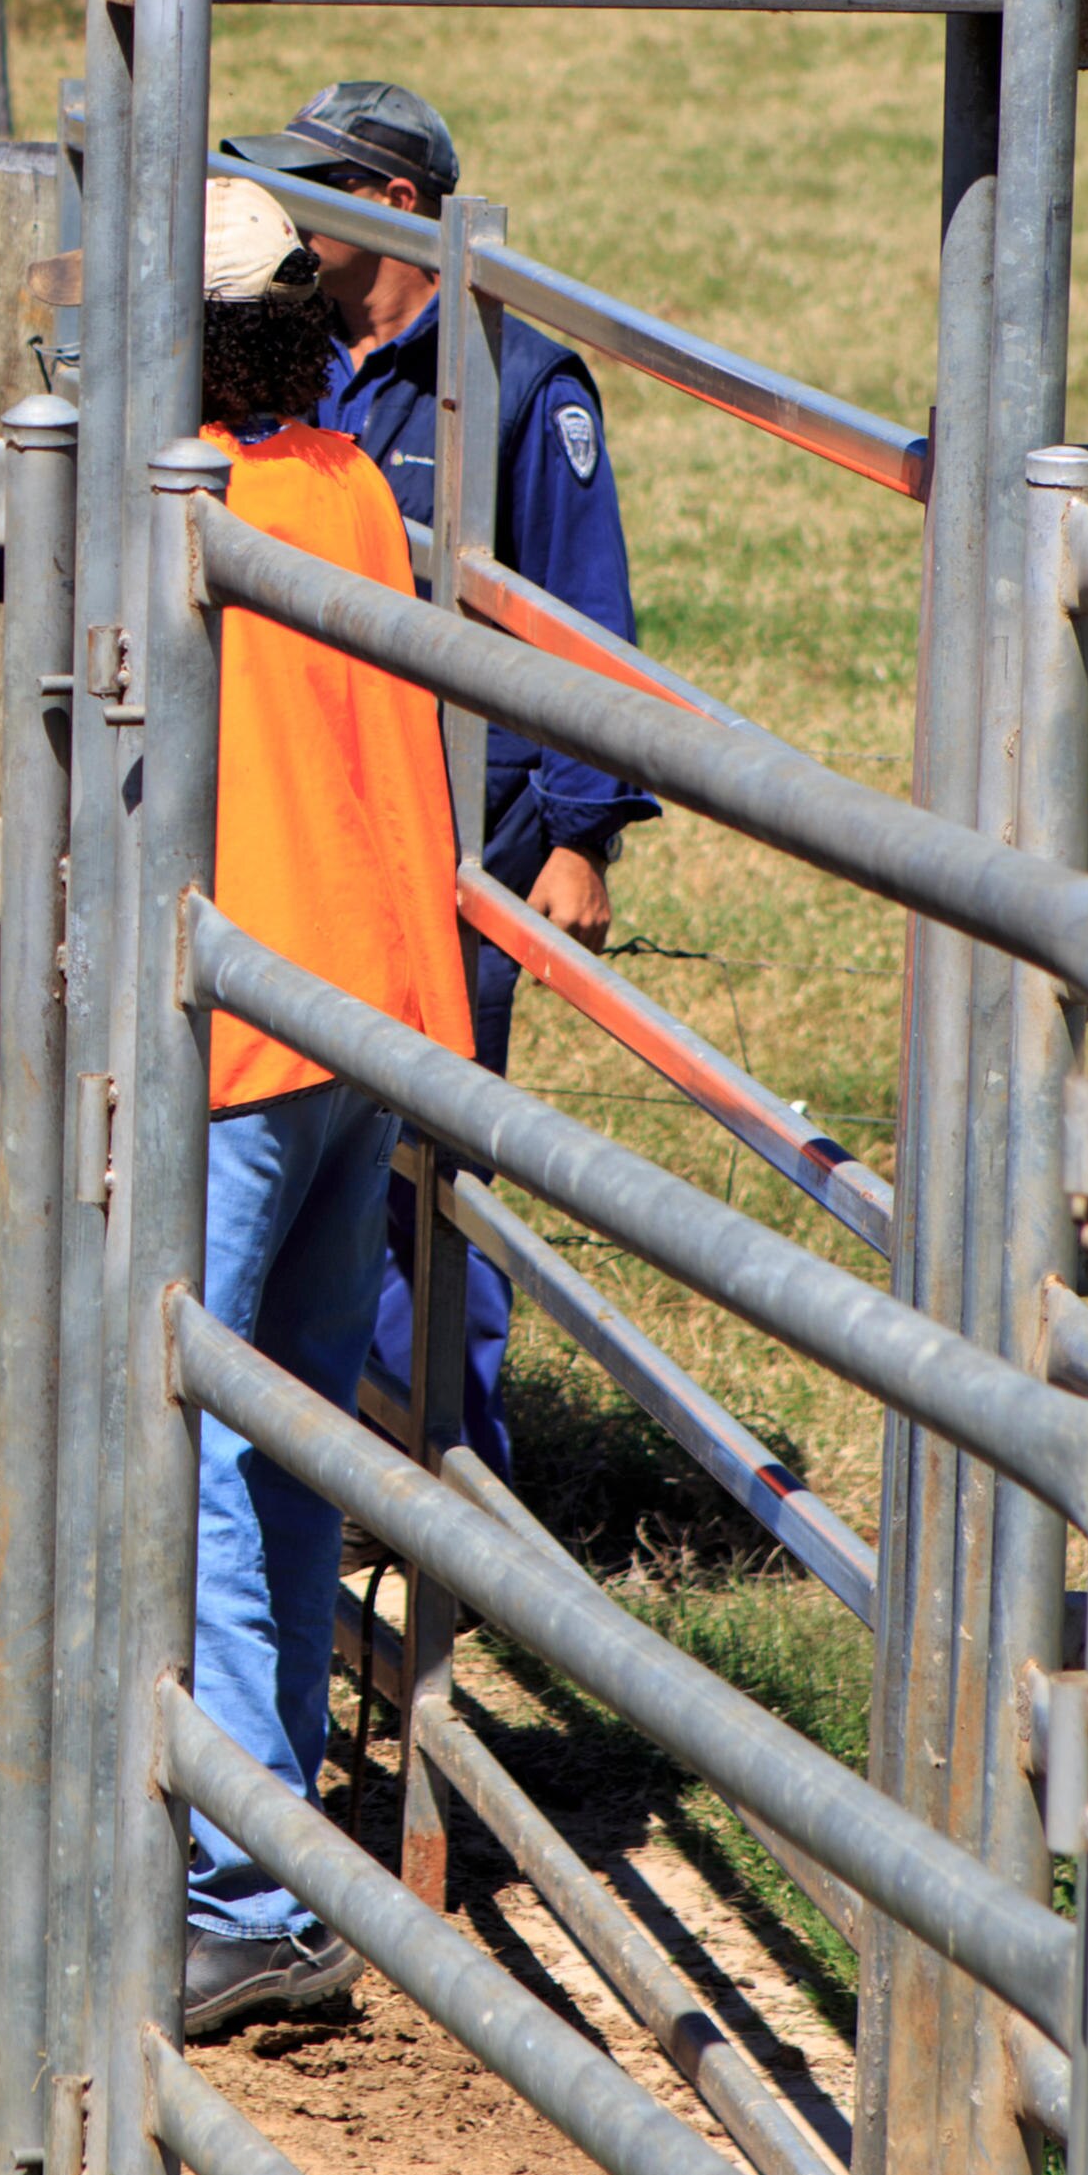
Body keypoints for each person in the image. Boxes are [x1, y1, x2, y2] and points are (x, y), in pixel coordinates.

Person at [0, 174, 473, 2035]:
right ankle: (273, 1845)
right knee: (292, 1427)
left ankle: (244, 1890)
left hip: (239, 1044)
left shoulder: (188, 505)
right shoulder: (333, 477)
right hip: (370, 1023)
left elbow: (75, 589)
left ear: (183, 341)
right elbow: (59, 538)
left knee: (209, 1458)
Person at [222, 81, 655, 1482]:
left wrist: (580, 838)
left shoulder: (519, 383)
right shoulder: (300, 360)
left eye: (308, 191)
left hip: (461, 842)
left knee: (425, 1174)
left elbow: (579, 624)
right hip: (313, 825)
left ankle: (435, 1486)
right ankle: (326, 1461)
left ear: (390, 207)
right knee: (322, 1152)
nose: (281, 218)